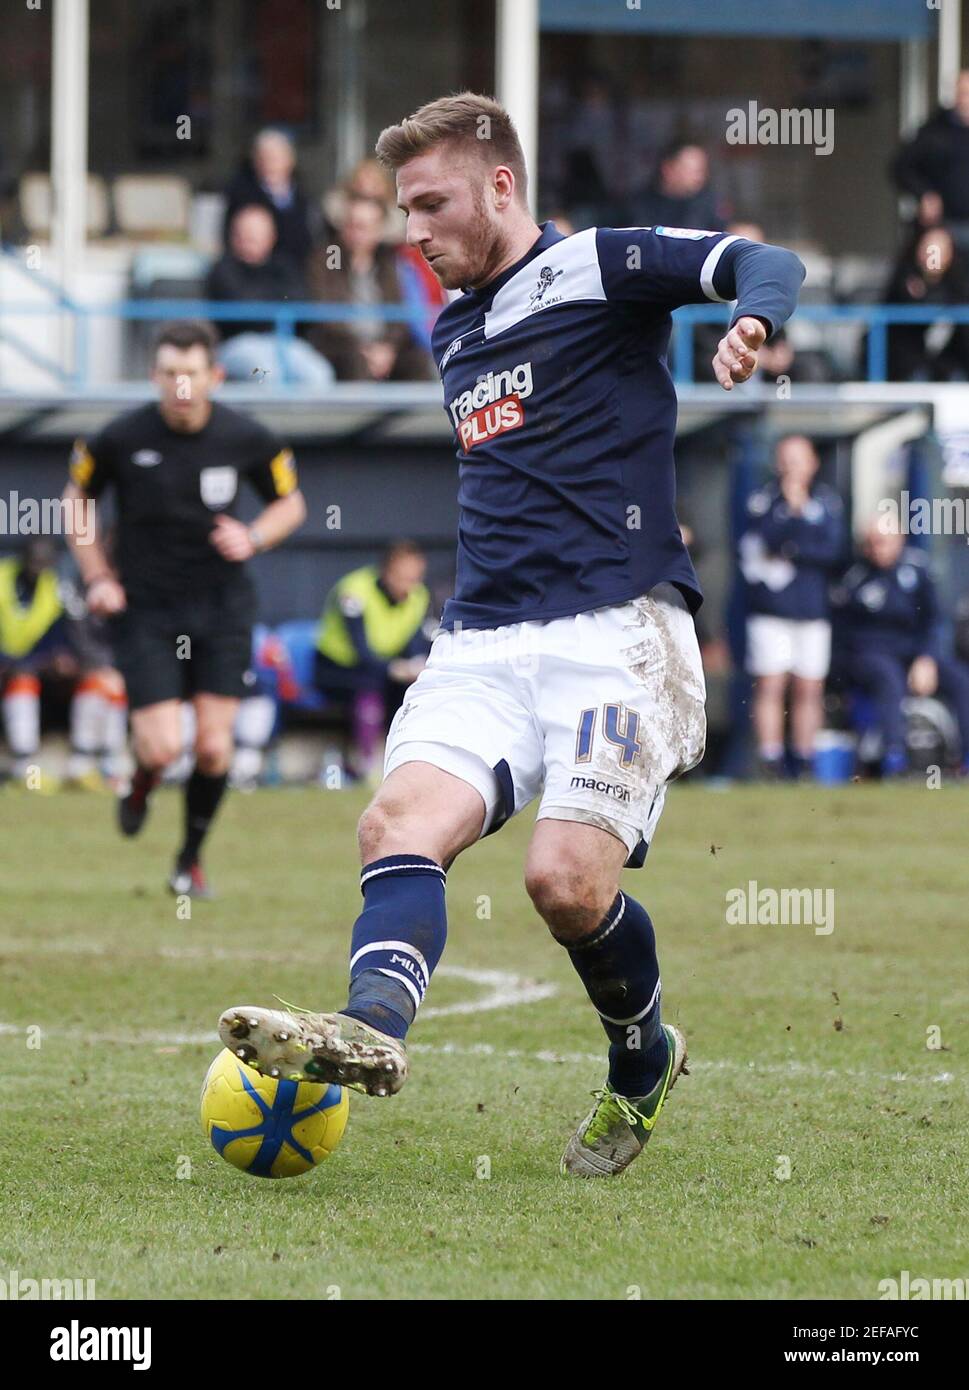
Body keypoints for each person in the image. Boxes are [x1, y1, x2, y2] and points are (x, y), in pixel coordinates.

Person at [218, 91, 803, 1178]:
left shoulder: (599, 265)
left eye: (433, 205)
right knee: (395, 819)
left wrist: (755, 322)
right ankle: (370, 1029)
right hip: (483, 638)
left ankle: (644, 1052)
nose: (414, 233)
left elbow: (760, 262)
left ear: (501, 186)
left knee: (563, 883)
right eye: (403, 211)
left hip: (620, 629)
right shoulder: (453, 324)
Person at [62, 319, 307, 897]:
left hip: (222, 606)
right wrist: (97, 575)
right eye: (169, 373)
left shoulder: (248, 437)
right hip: (146, 608)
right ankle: (143, 779)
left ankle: (188, 862)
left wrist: (254, 537)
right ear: (154, 375)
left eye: (191, 374)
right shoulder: (117, 438)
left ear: (213, 376)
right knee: (163, 746)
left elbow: (291, 503)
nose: (180, 386)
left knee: (216, 746)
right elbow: (76, 500)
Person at [739, 435, 845, 779]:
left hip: (812, 611)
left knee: (809, 687)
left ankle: (803, 760)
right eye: (786, 459)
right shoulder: (763, 499)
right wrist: (793, 514)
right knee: (771, 684)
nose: (792, 468)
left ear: (813, 462)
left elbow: (832, 551)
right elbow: (764, 539)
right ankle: (770, 760)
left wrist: (794, 546)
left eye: (799, 459)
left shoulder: (827, 501)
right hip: (771, 610)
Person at [831, 521, 969, 777]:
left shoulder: (916, 569)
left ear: (899, 540)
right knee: (888, 677)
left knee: (961, 680)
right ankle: (896, 760)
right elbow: (843, 633)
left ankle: (964, 760)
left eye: (882, 542)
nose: (876, 549)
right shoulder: (854, 575)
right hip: (870, 656)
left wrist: (926, 658)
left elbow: (933, 620)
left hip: (913, 653)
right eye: (871, 543)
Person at [315, 542, 430, 782]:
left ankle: (405, 762)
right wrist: (394, 668)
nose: (408, 586)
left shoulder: (419, 596)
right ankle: (368, 763)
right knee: (371, 683)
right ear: (386, 571)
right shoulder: (354, 591)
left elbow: (414, 642)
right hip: (336, 668)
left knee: (416, 688)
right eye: (402, 577)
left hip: (382, 670)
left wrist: (414, 666)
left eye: (414, 578)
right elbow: (361, 650)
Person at [305, 194, 435, 382]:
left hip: (384, 346)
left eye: (364, 227)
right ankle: (359, 412)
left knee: (418, 360)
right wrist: (363, 349)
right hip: (342, 345)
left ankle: (416, 413)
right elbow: (328, 310)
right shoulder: (331, 256)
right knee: (354, 359)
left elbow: (401, 311)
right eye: (351, 224)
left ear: (378, 230)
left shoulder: (388, 261)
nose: (356, 233)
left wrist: (388, 348)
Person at [206, 204, 334, 388]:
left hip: (285, 341)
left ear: (271, 237)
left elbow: (302, 301)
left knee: (319, 375)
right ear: (234, 236)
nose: (249, 239)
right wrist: (277, 301)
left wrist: (265, 302)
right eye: (244, 233)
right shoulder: (223, 269)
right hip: (238, 344)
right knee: (268, 374)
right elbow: (243, 309)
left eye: (256, 234)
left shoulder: (284, 266)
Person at [892, 70, 969, 253]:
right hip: (944, 227)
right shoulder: (935, 132)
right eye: (962, 93)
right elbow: (901, 167)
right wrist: (925, 194)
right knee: (934, 271)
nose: (965, 100)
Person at [881, 226, 969, 382]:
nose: (933, 256)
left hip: (950, 365)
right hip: (908, 365)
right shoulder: (903, 280)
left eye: (939, 249)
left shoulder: (959, 285)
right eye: (930, 249)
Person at [223, 128, 316, 270]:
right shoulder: (241, 193)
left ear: (290, 160)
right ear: (255, 161)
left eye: (275, 158)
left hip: (297, 271)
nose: (269, 163)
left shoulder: (302, 194)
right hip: (255, 272)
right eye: (264, 158)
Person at [622, 140, 724, 234]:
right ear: (668, 169)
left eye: (701, 170)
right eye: (691, 170)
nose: (700, 176)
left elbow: (727, 231)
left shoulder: (709, 202)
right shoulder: (638, 205)